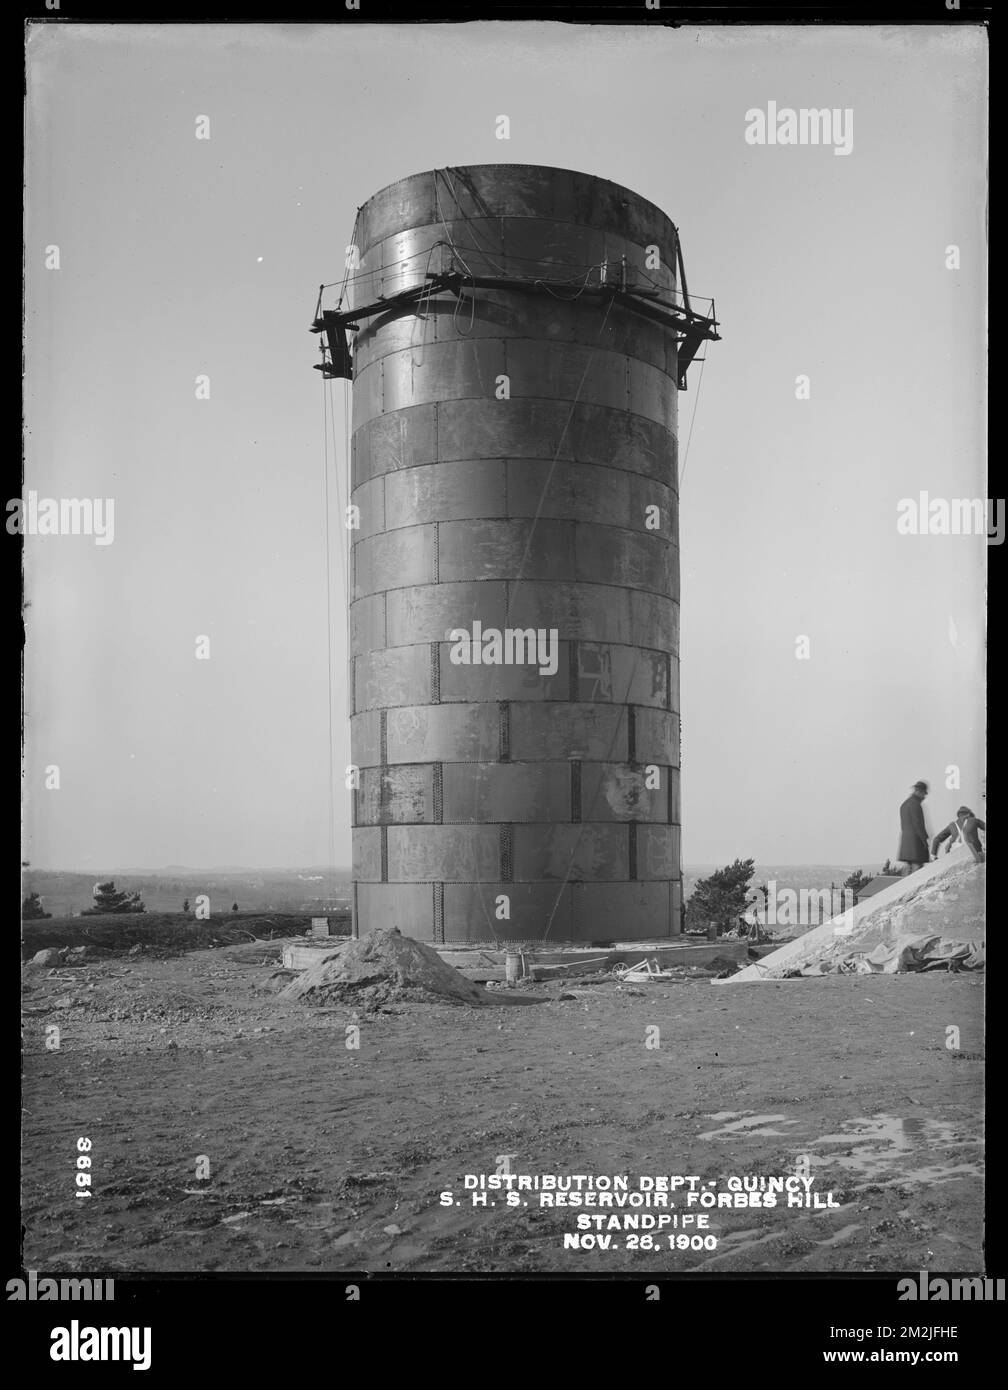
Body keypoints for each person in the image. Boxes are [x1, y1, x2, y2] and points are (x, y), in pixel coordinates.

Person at [898, 780, 930, 874]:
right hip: (916, 842)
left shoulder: (904, 804)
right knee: (917, 870)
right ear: (919, 792)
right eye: (924, 793)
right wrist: (924, 840)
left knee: (908, 868)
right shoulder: (915, 804)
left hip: (905, 842)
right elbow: (918, 824)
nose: (924, 797)